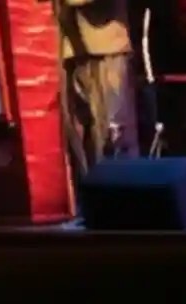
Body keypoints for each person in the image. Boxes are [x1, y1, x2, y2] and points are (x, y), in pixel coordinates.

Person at [49, 0, 139, 177]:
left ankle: (118, 186)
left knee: (113, 137)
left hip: (106, 47)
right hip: (69, 48)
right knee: (77, 138)